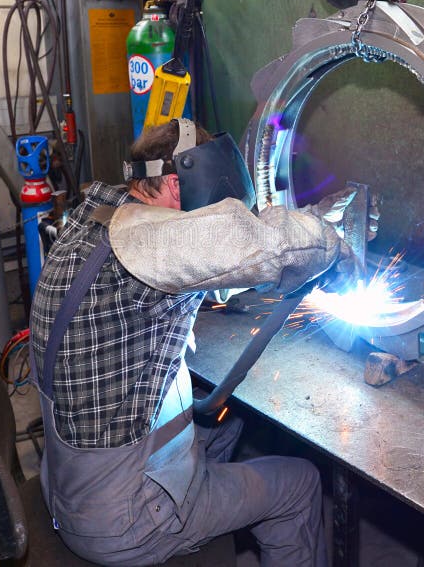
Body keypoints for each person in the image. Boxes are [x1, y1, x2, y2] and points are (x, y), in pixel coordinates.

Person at [29, 118, 368, 566]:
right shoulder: (149, 243)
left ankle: (210, 494)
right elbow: (261, 245)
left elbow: (208, 270)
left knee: (227, 419)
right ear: (175, 184)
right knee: (298, 483)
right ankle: (192, 514)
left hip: (71, 487)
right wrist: (332, 247)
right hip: (123, 519)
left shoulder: (94, 223)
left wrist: (314, 217)